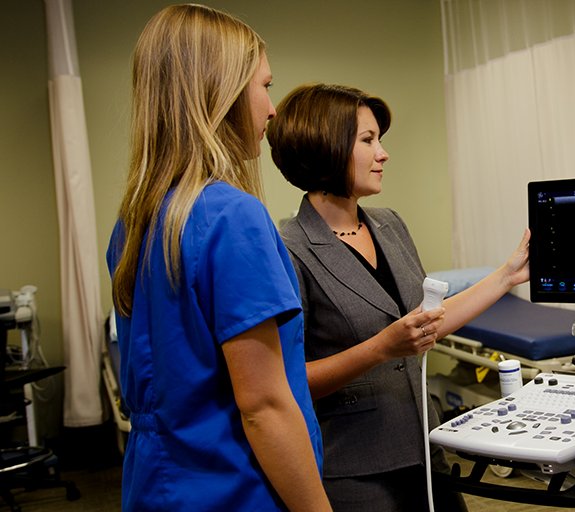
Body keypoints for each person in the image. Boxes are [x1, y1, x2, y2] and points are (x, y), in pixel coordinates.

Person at [106, 5, 330, 511]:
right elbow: (265, 407)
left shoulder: (135, 224)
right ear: (220, 94)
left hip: (157, 487)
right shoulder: (231, 218)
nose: (273, 109)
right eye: (265, 86)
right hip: (235, 489)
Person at [266, 83, 530, 511]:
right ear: (327, 148)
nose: (383, 153)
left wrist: (507, 276)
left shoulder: (389, 225)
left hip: (426, 449)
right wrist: (380, 348)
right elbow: (286, 382)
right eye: (368, 141)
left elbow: (426, 322)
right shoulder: (288, 248)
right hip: (355, 467)